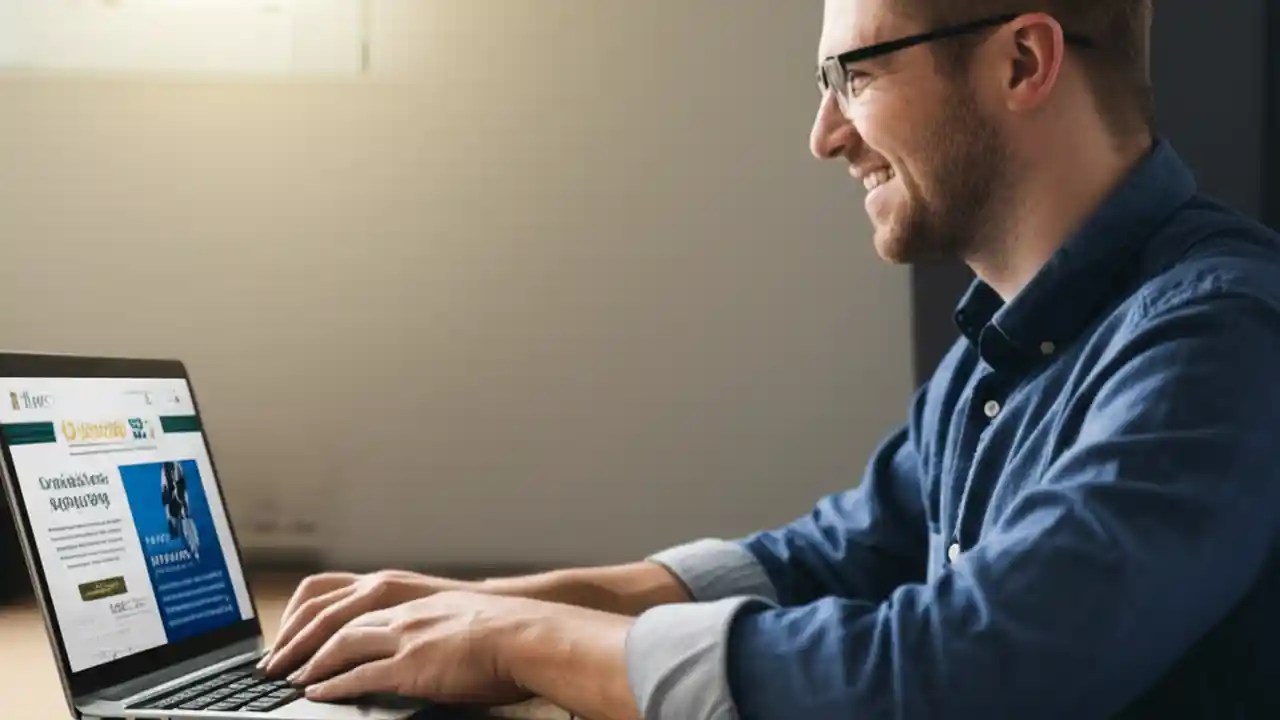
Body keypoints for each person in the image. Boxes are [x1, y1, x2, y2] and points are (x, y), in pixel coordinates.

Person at [258, 1, 1280, 717]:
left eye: (857, 73)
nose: (823, 134)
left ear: (1021, 62)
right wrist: (495, 601)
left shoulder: (1218, 337)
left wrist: (519, 645)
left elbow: (962, 671)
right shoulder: (1001, 351)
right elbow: (831, 557)